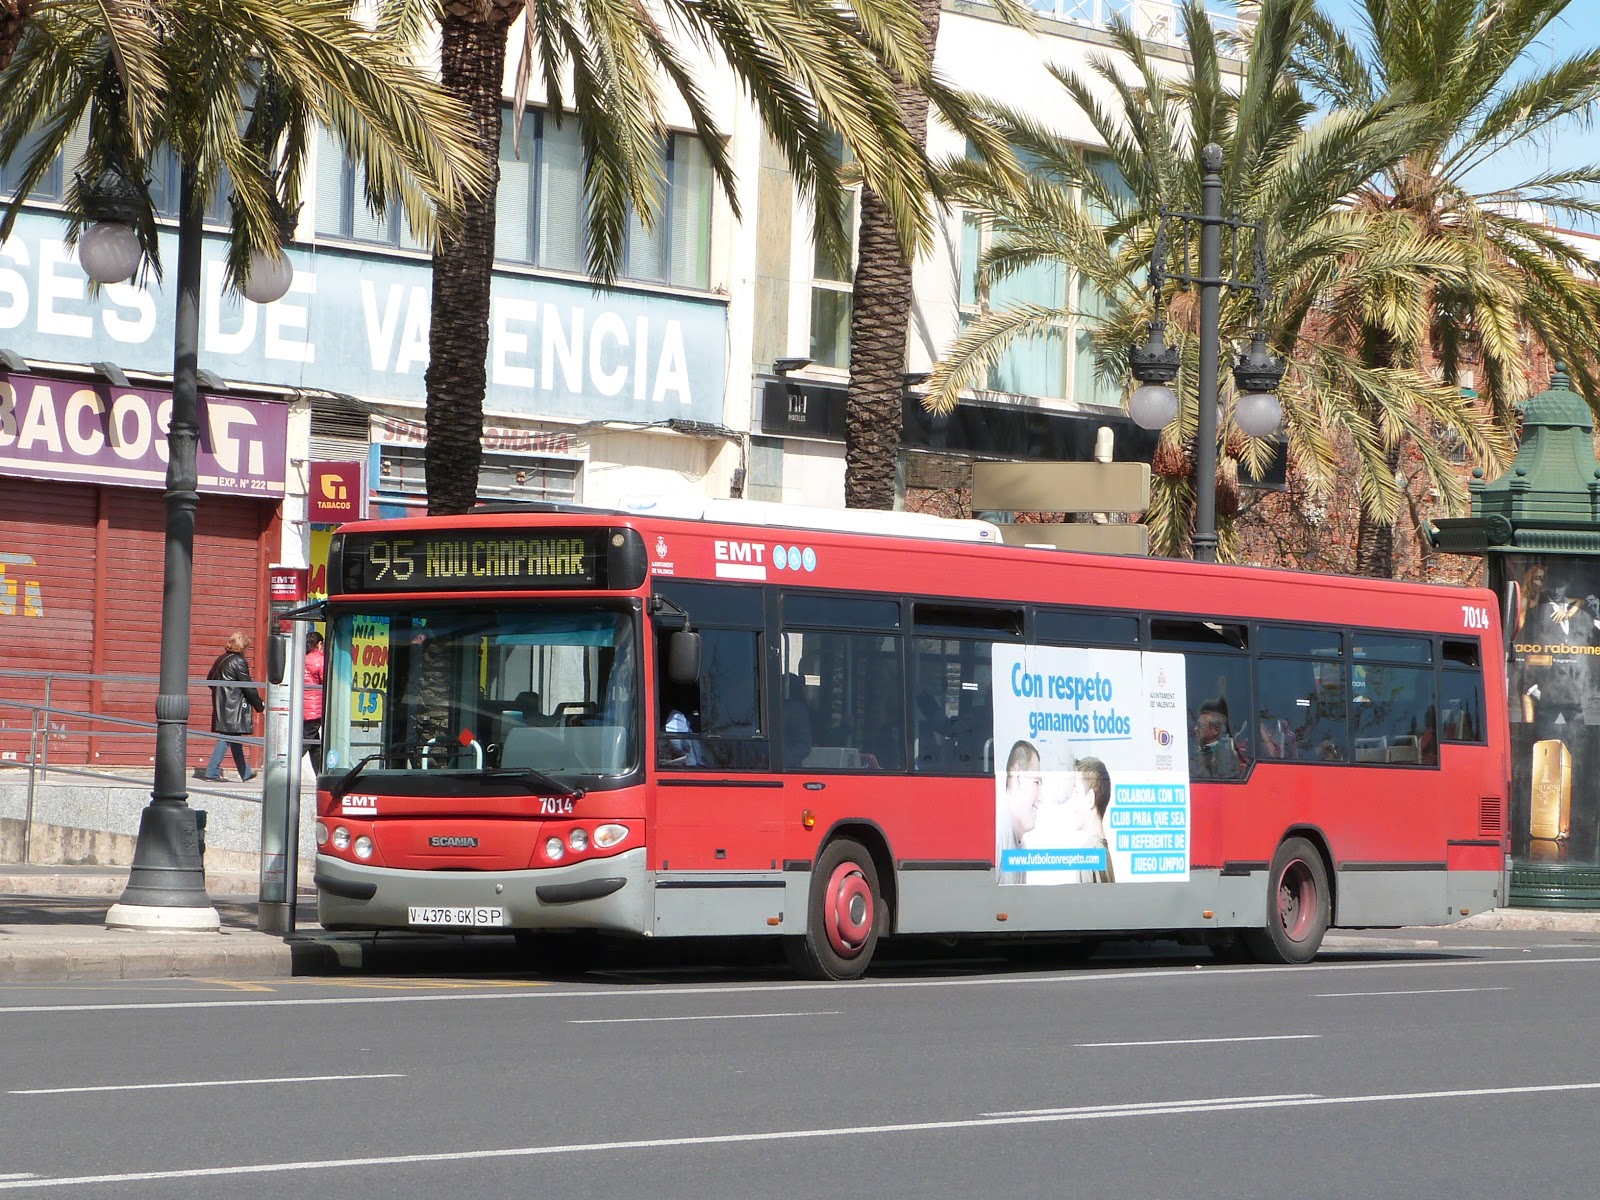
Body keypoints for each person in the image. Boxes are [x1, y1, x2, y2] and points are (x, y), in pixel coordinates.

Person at [198, 632, 264, 782]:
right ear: (242, 646)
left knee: (234, 739)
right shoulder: (239, 662)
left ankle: (245, 773)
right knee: (226, 737)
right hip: (233, 706)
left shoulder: (221, 659)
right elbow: (247, 686)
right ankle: (212, 772)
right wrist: (260, 705)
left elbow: (210, 681)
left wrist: (221, 693)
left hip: (223, 704)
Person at [997, 739, 1043, 884]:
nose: (1040, 798)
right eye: (1036, 782)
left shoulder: (1021, 848)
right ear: (1017, 776)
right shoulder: (998, 834)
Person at [1190, 698, 1241, 778]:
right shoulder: (1199, 748)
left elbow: (1218, 779)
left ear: (1215, 730)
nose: (1196, 728)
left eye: (1200, 725)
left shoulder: (1225, 754)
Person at [302, 630, 326, 773]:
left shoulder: (301, 658)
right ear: (319, 644)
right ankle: (286, 765)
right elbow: (325, 681)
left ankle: (319, 772)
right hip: (315, 708)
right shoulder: (320, 659)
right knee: (305, 742)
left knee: (314, 743)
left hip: (303, 707)